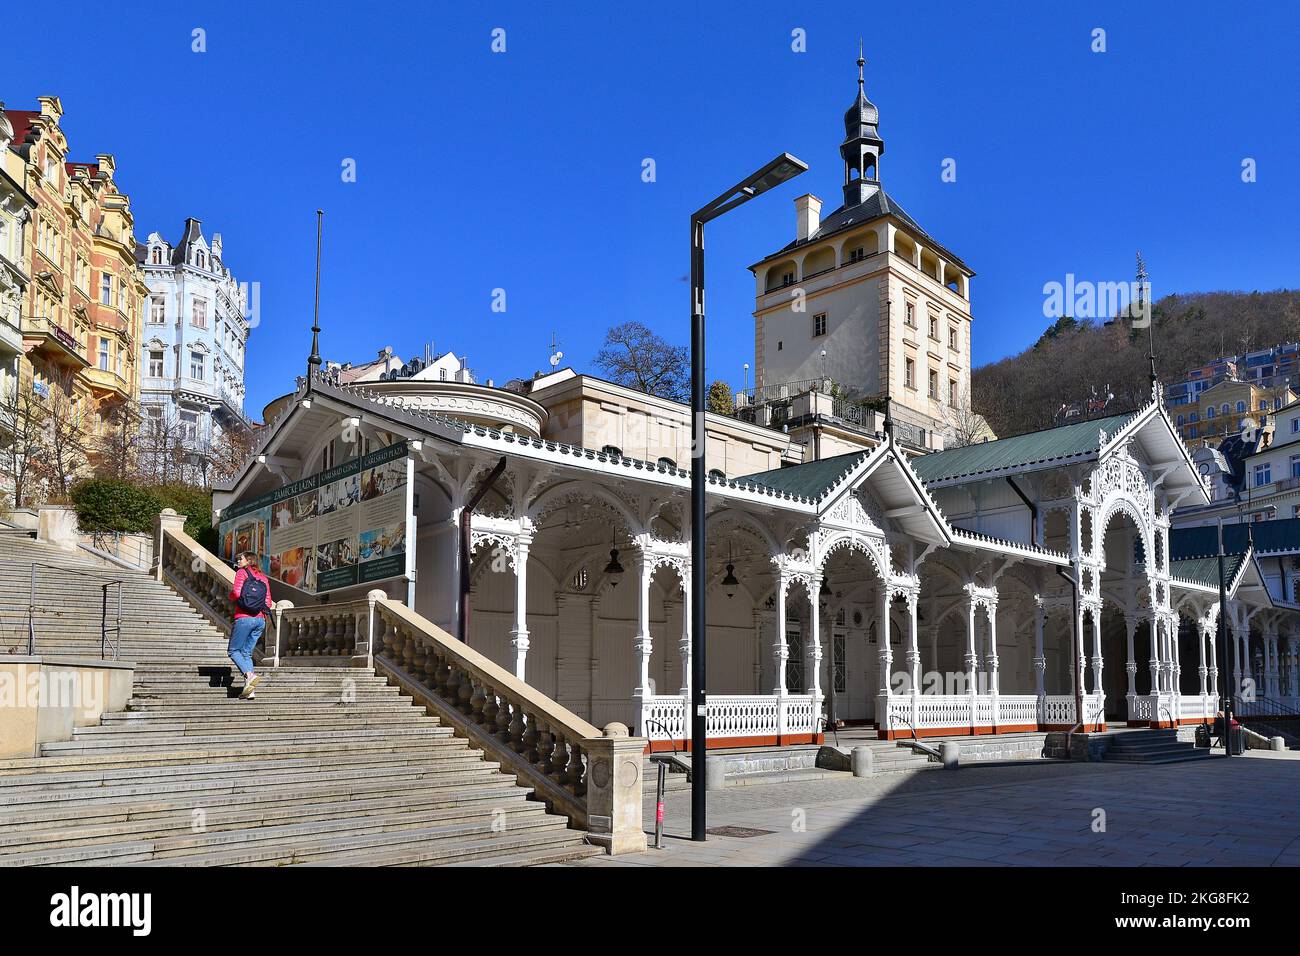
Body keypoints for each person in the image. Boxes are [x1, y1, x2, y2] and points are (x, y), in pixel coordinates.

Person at [230, 551, 273, 698]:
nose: (238, 560)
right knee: (246, 653)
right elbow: (268, 602)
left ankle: (249, 675)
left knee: (233, 651)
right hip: (260, 620)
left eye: (240, 558)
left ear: (248, 560)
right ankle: (249, 690)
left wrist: (232, 598)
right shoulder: (264, 578)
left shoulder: (242, 572)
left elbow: (236, 593)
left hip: (244, 618)